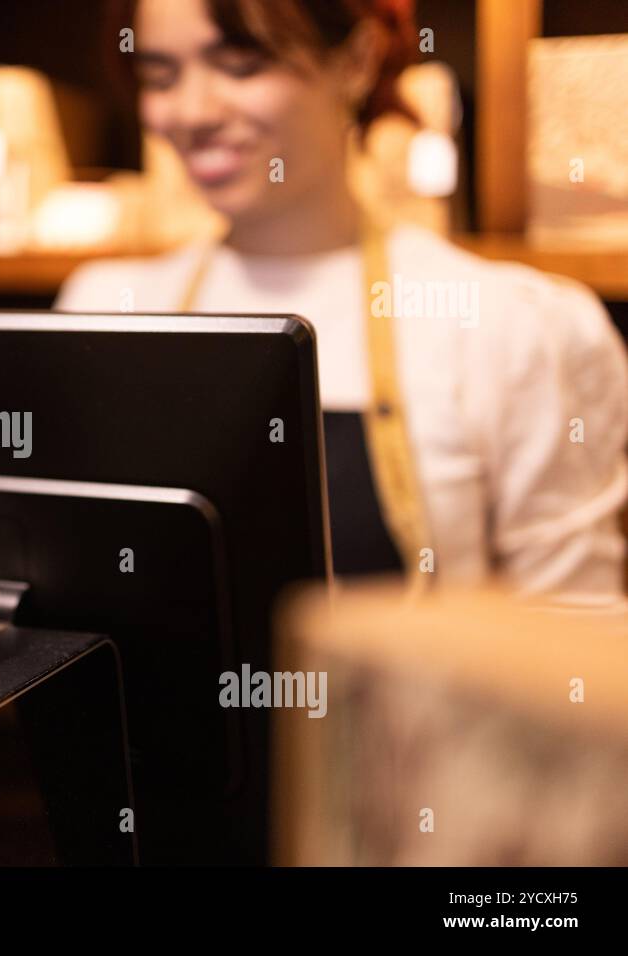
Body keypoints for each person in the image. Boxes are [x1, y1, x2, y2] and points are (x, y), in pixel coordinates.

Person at [56, 0, 628, 604]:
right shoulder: (101, 308)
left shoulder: (512, 325)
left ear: (357, 60)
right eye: (159, 76)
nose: (193, 111)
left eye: (242, 64)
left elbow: (570, 650)